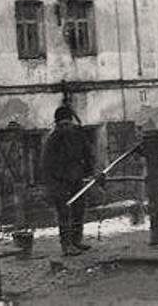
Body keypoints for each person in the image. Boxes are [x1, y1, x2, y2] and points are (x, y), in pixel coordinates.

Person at [42, 105, 95, 256]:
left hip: (77, 179)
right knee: (64, 214)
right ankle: (66, 245)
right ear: (57, 125)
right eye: (62, 125)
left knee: (79, 211)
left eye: (68, 124)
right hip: (60, 182)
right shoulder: (52, 140)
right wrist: (53, 186)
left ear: (72, 123)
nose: (66, 127)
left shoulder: (78, 136)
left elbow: (88, 154)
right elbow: (46, 165)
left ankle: (77, 240)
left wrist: (90, 172)